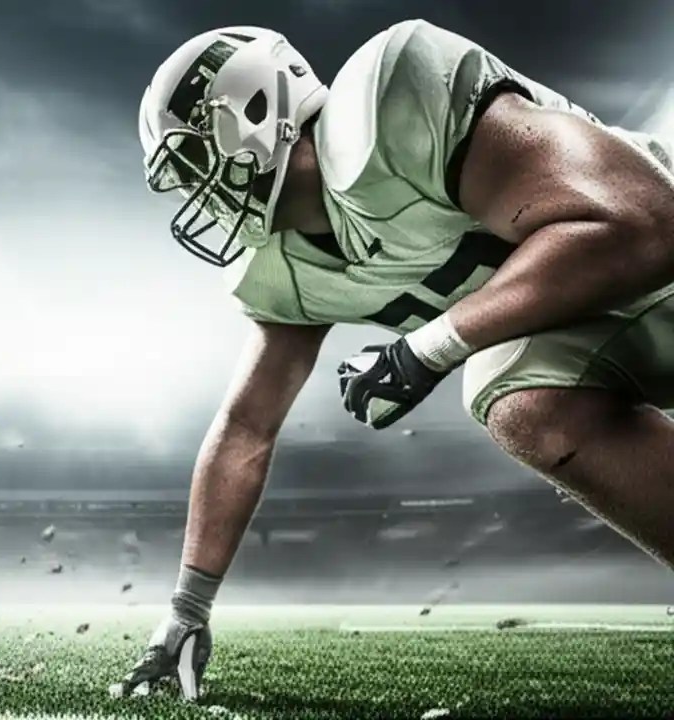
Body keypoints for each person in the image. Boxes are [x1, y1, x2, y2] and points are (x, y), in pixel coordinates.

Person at [119, 19, 674, 700]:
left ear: (252, 113)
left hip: (659, 267)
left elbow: (644, 219)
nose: (193, 189)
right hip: (607, 326)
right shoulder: (283, 267)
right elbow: (246, 429)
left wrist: (429, 346)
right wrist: (184, 613)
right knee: (519, 397)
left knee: (486, 367)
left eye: (193, 160)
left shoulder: (387, 109)